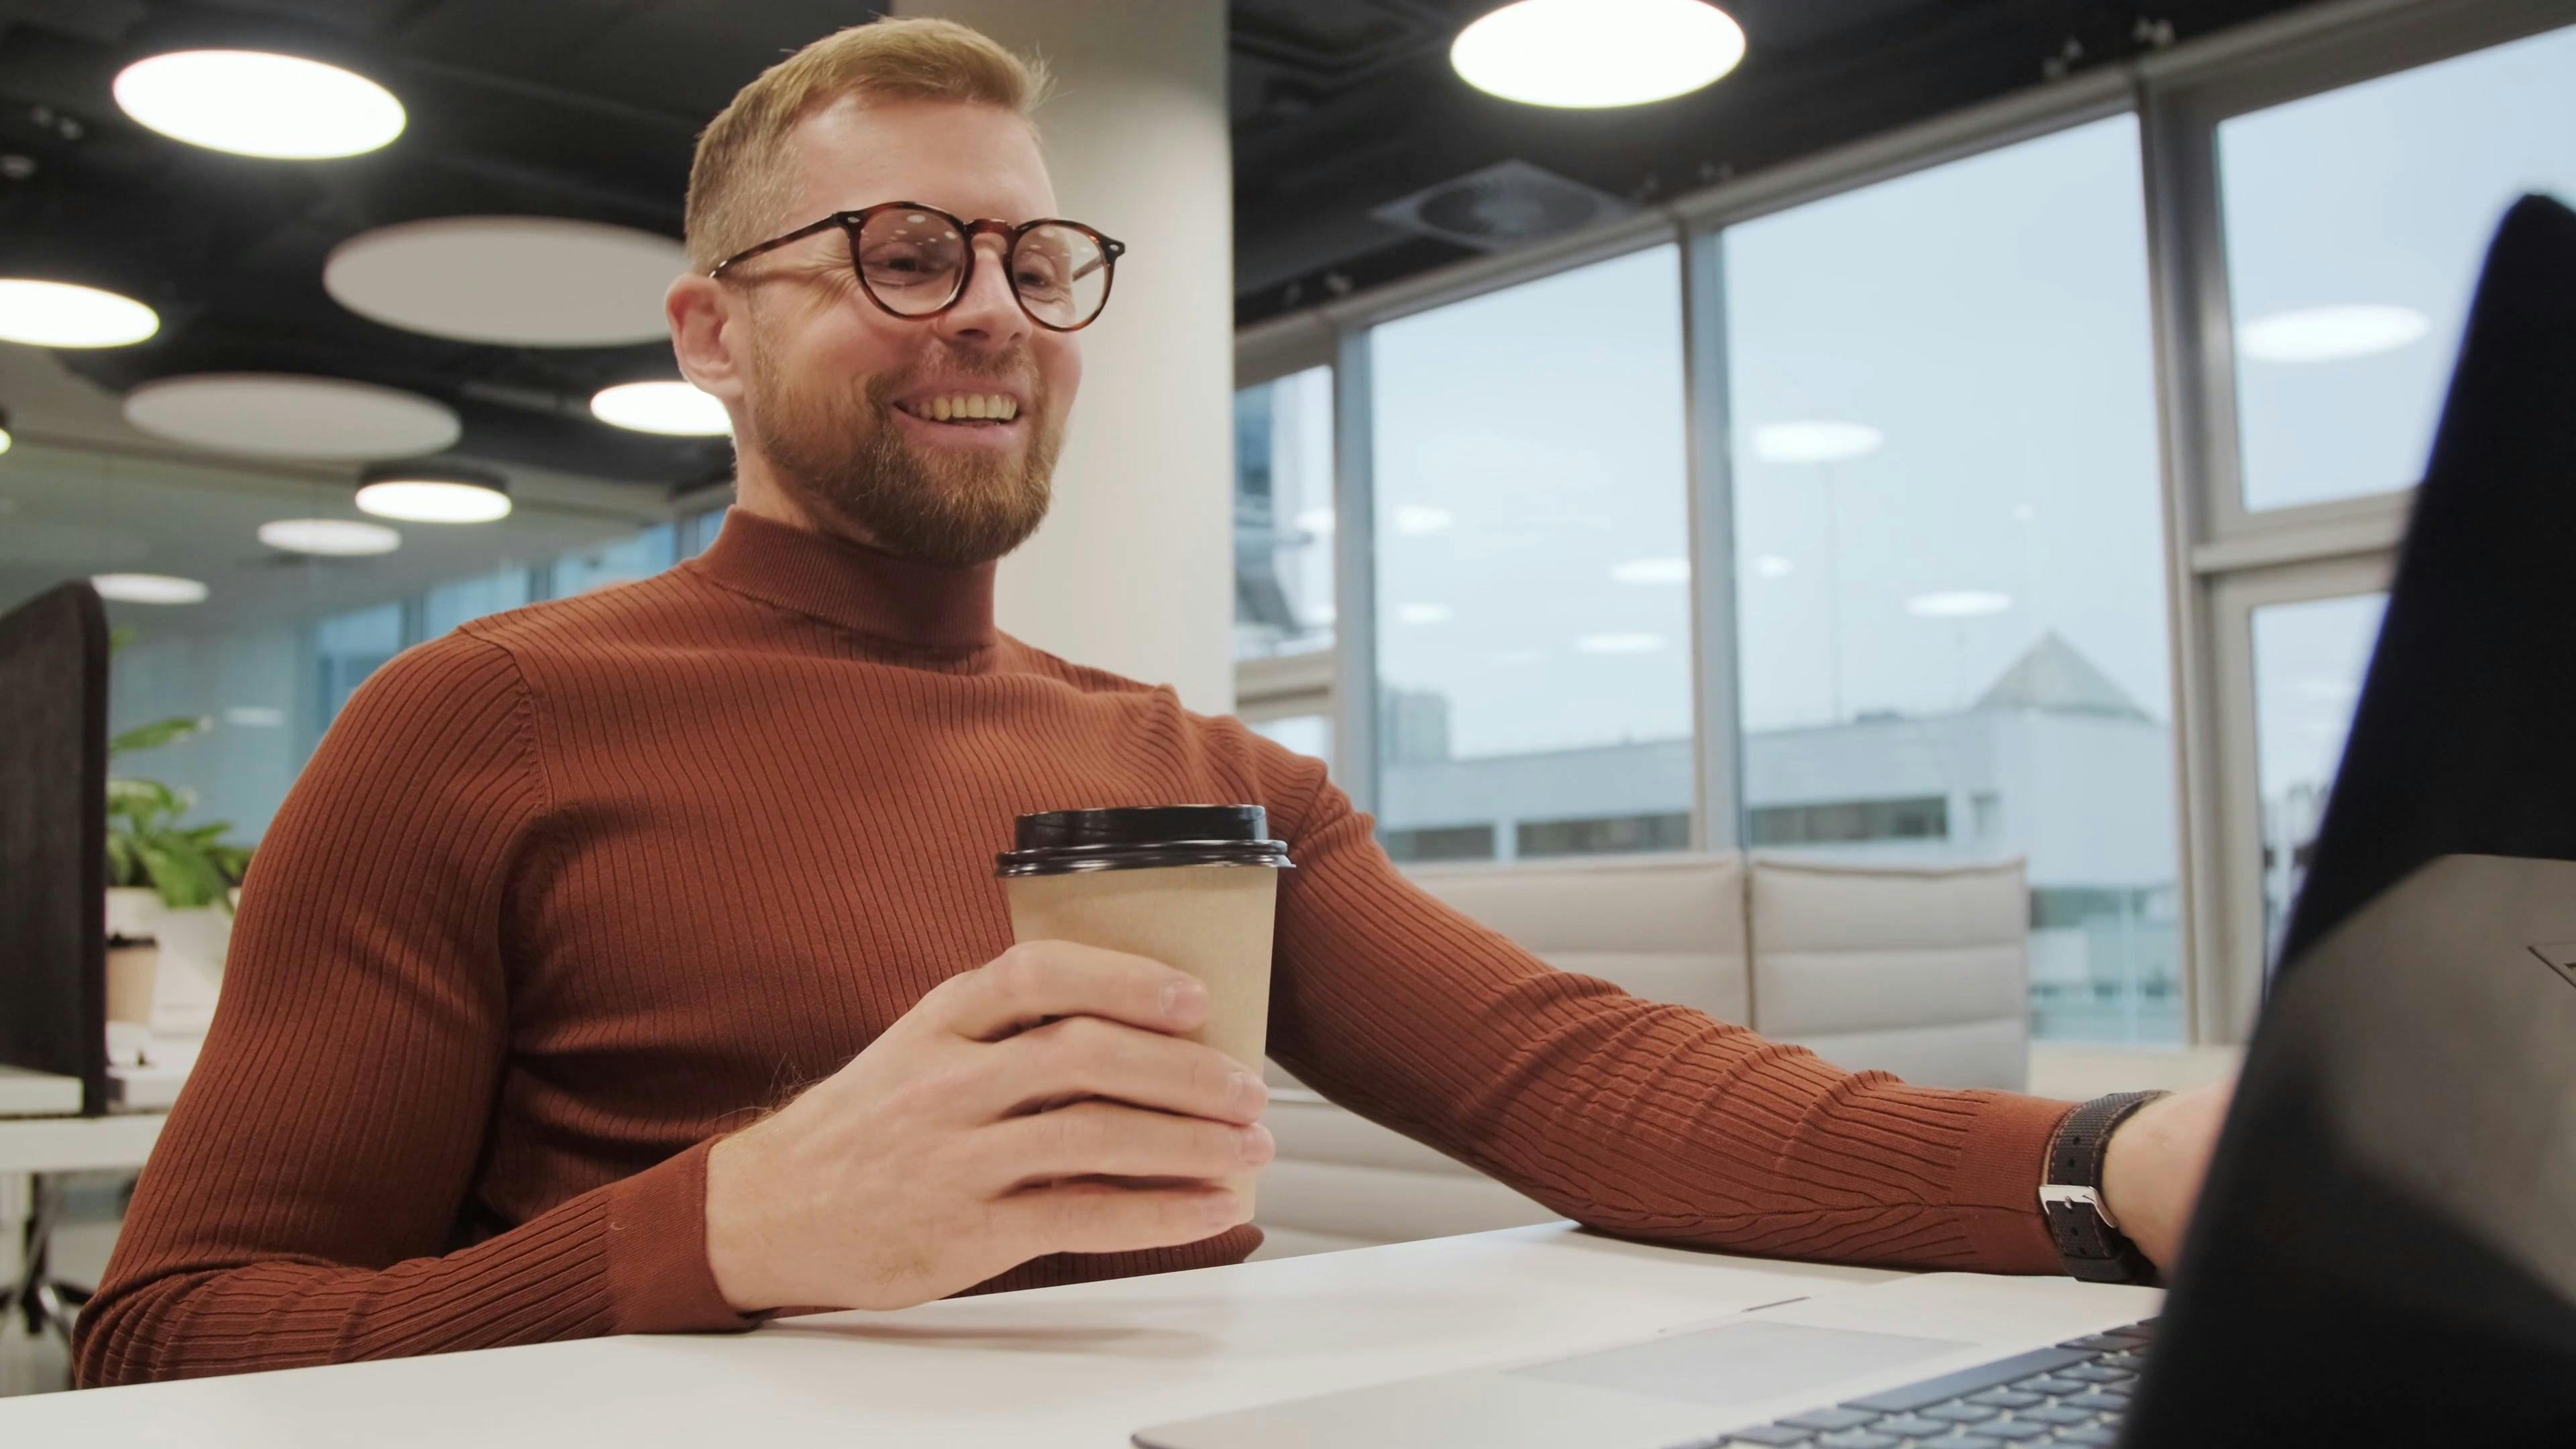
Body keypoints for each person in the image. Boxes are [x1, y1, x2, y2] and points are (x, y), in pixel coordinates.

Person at [74, 17, 2229, 1388]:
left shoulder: (1195, 771)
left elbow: (1572, 1080)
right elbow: (170, 1347)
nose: (992, 316)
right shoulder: (484, 721)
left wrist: (2108, 1159)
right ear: (715, 337)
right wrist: (720, 1233)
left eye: (1036, 262)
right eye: (905, 256)